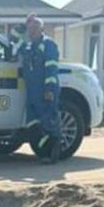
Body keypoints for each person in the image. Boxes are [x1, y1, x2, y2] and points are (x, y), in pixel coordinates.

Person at [19, 14, 62, 163]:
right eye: (30, 29)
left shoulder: (48, 45)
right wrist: (22, 26)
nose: (31, 32)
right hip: (32, 93)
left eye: (34, 29)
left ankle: (52, 154)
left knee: (48, 123)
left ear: (41, 29)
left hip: (45, 91)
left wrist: (49, 89)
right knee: (33, 124)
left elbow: (51, 69)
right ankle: (42, 153)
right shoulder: (28, 46)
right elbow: (14, 46)